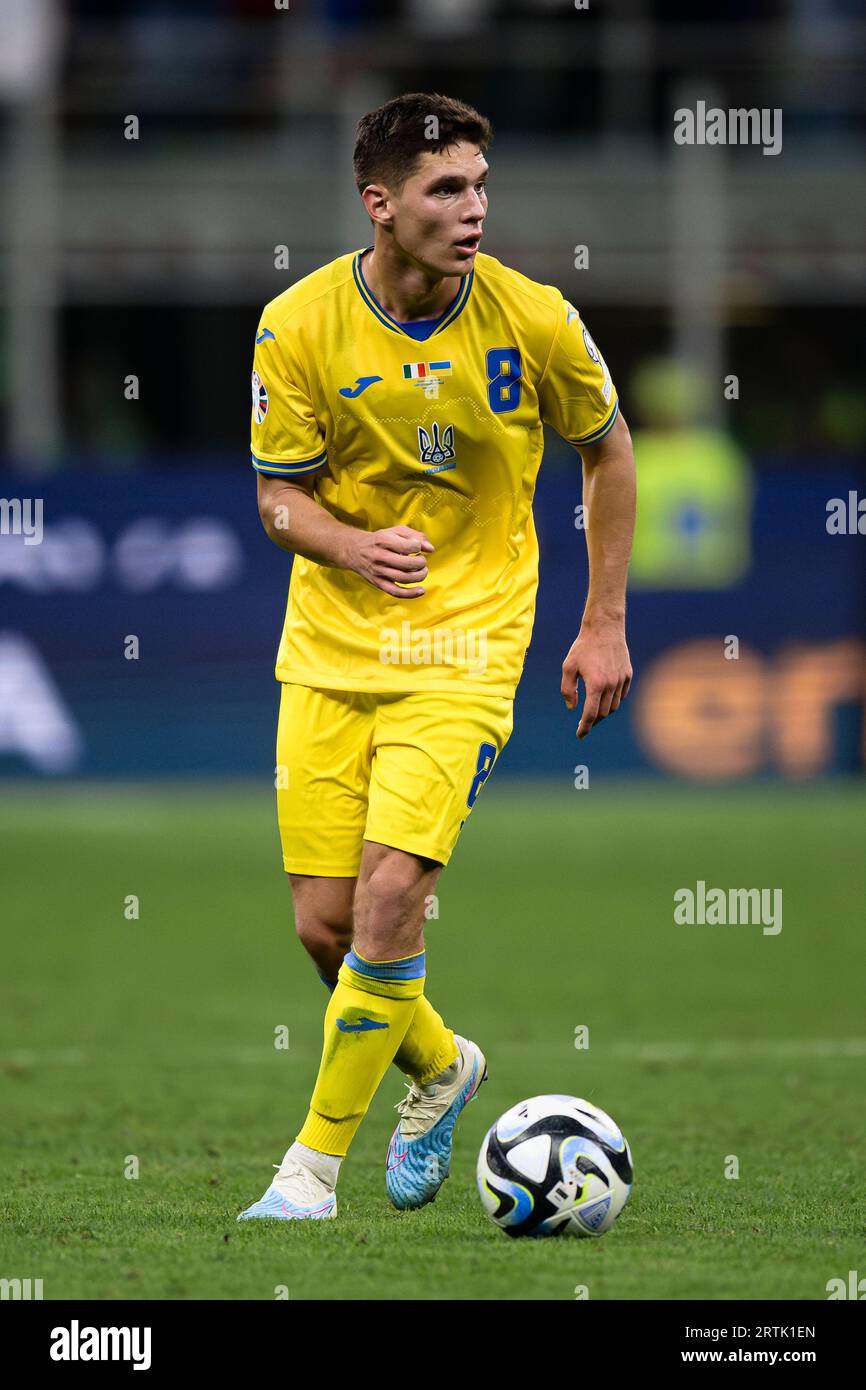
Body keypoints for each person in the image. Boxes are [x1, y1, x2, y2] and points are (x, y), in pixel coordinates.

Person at [237, 92, 635, 1222]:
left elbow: (606, 452)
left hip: (465, 643)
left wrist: (601, 618)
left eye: (479, 186)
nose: (473, 211)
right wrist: (352, 542)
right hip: (328, 648)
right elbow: (277, 499)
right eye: (445, 190)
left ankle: (308, 1173)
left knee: (392, 894)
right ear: (380, 203)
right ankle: (444, 1066)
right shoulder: (297, 323)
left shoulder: (534, 318)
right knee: (324, 925)